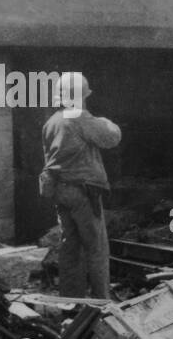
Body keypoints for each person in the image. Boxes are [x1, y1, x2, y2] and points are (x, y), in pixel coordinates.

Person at [40, 72, 121, 299]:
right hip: (83, 192)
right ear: (82, 95)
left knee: (70, 248)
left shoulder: (51, 122)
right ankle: (102, 302)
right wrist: (104, 121)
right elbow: (112, 137)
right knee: (96, 248)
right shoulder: (78, 116)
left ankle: (71, 301)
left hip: (60, 191)